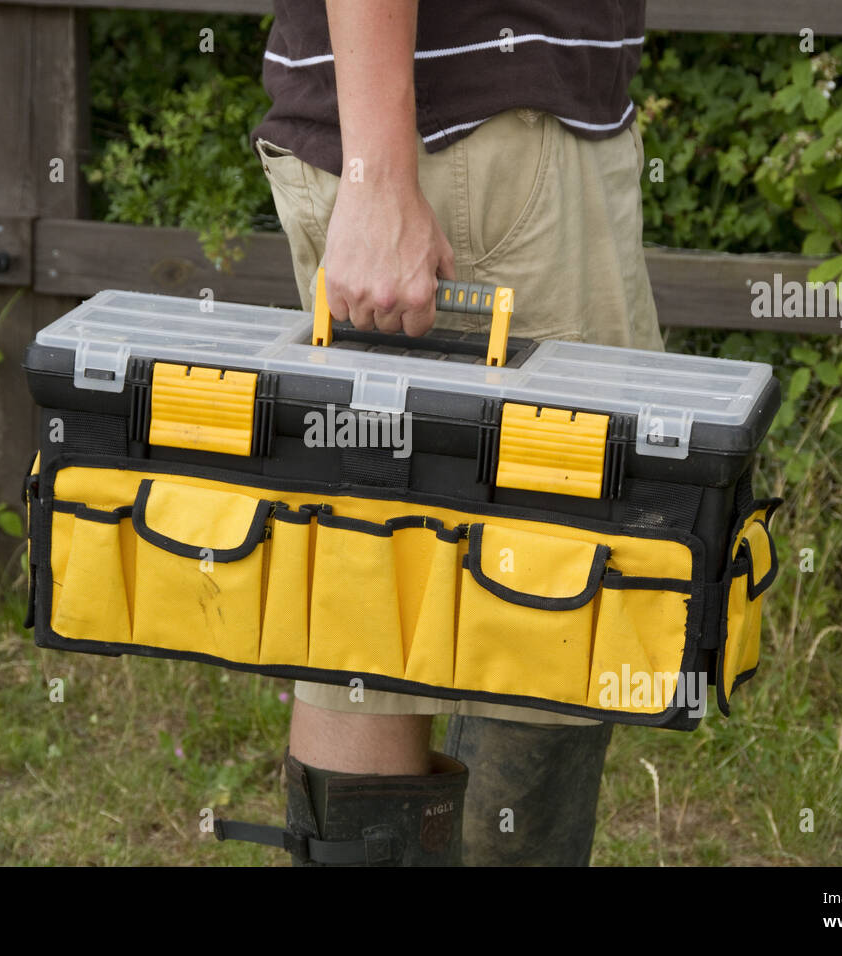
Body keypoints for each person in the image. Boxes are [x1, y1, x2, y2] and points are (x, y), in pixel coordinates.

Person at [245, 0, 660, 865]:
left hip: (457, 141)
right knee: (553, 593)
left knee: (367, 575)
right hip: (472, 153)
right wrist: (381, 178)